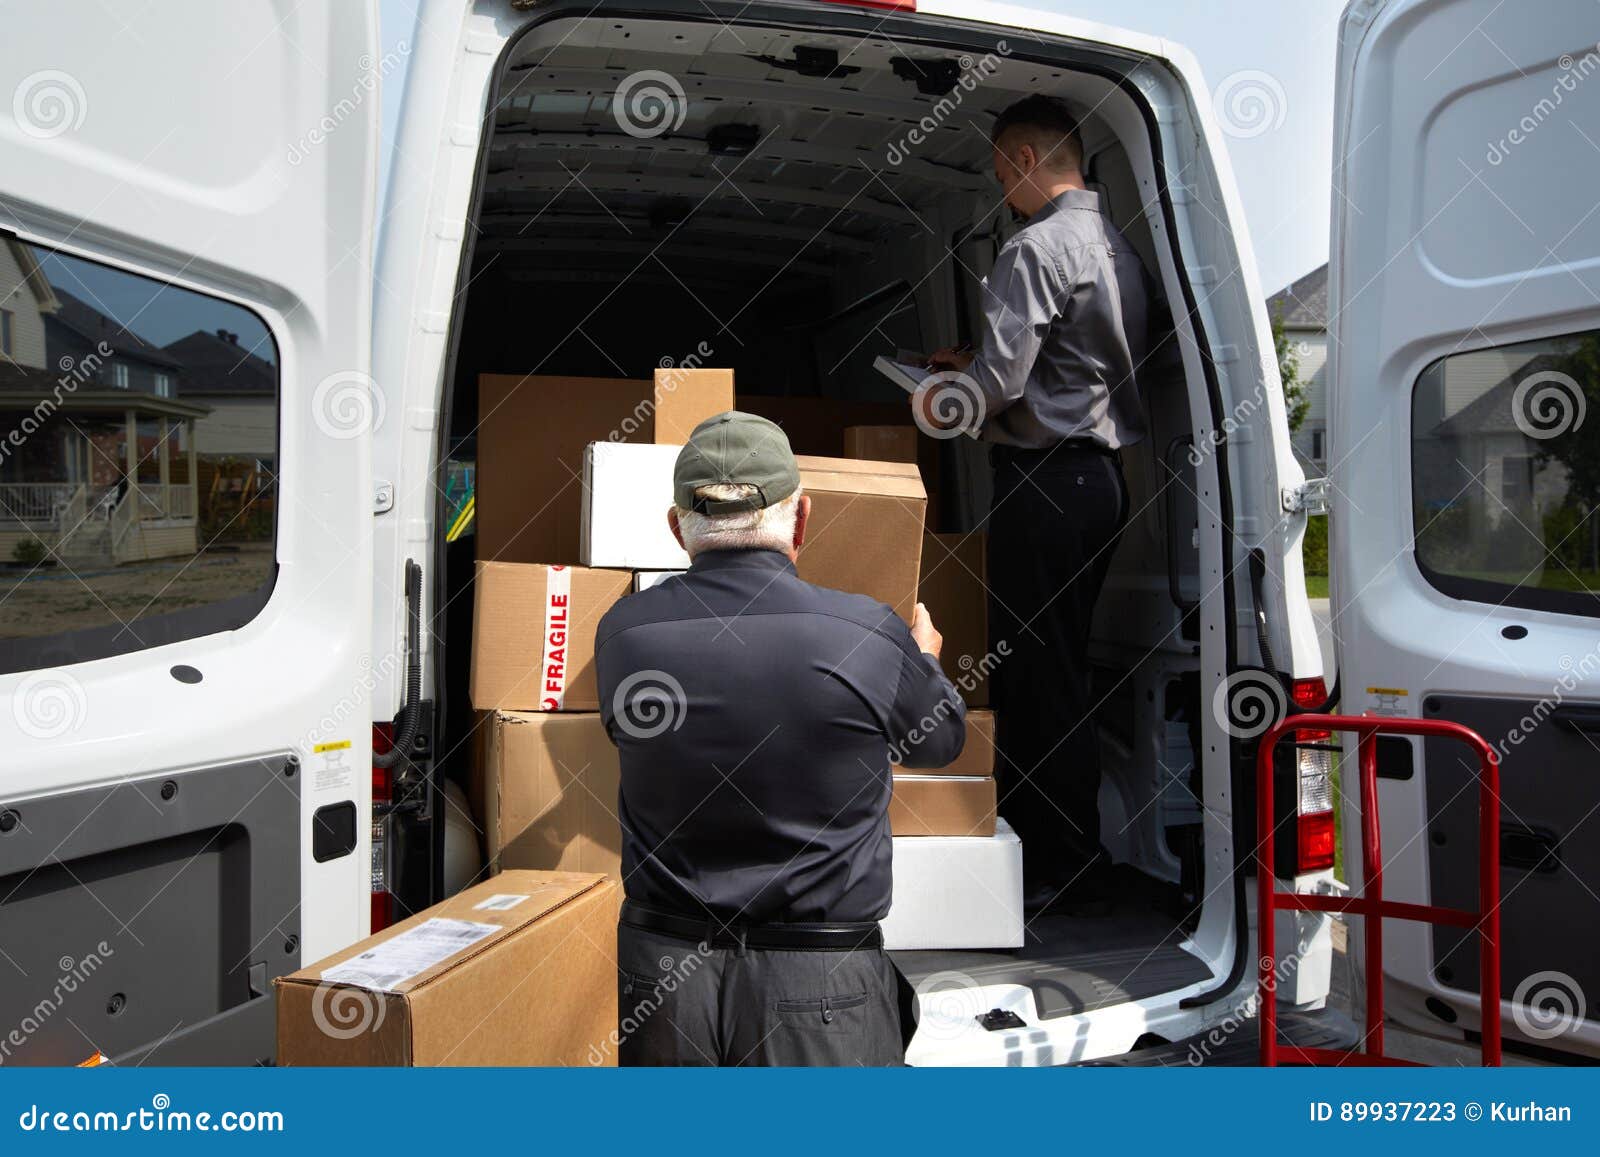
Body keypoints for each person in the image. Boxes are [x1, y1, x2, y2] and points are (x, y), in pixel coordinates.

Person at [594, 411, 966, 1067]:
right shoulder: (867, 632)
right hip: (819, 987)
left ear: (679, 527)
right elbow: (941, 741)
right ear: (801, 521)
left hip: (664, 982)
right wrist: (925, 656)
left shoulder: (624, 633)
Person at [919, 94, 1169, 914]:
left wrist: (940, 390)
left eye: (1001, 176)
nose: (1003, 195)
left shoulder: (1033, 249)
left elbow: (998, 388)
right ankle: (1072, 852)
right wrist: (980, 363)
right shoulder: (1118, 248)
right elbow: (1064, 362)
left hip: (1045, 481)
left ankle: (1053, 860)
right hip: (1101, 484)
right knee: (1060, 667)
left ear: (1027, 160)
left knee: (1032, 677)